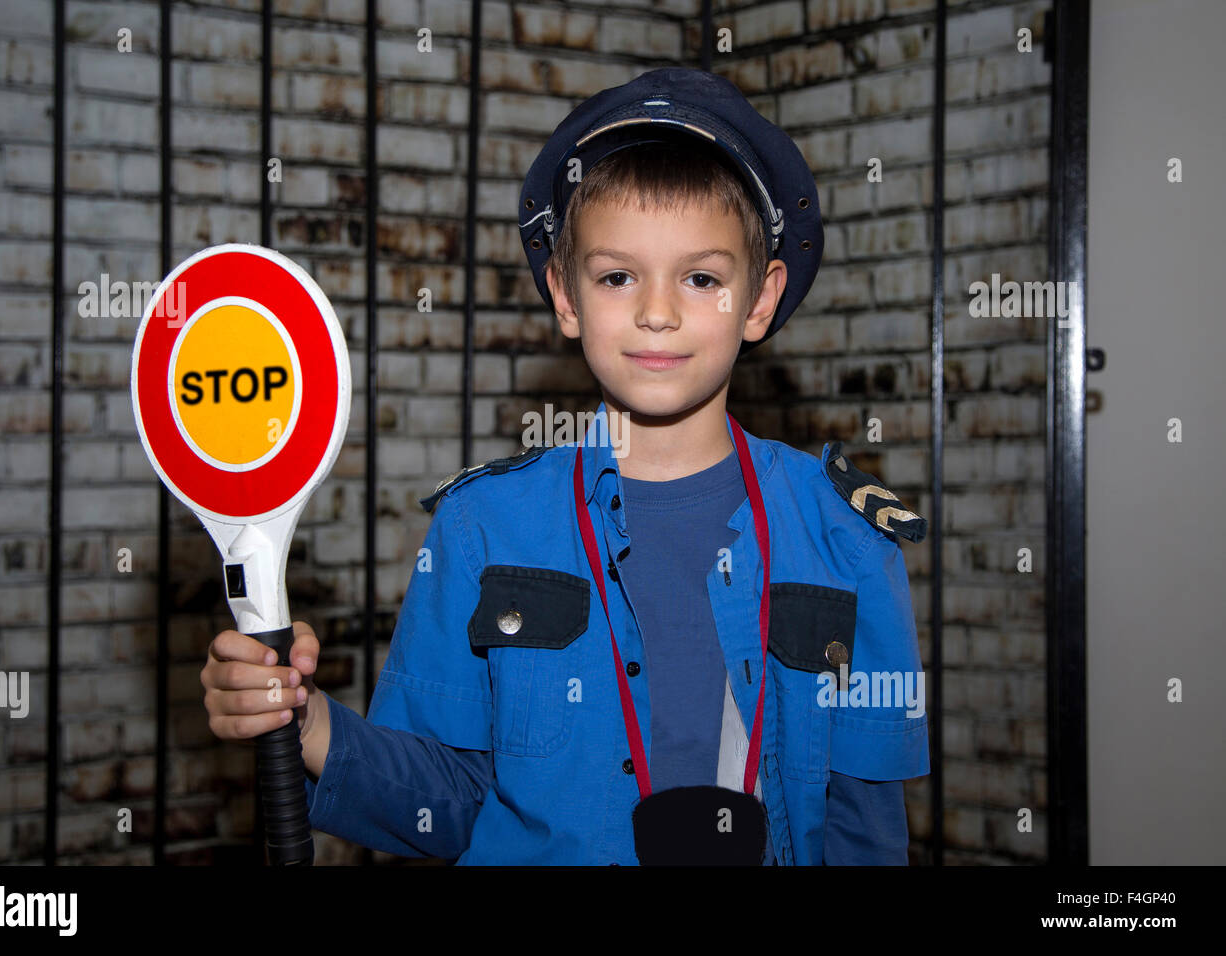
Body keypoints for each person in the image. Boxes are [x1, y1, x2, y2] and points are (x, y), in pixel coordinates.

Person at [201, 67, 929, 865]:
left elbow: (869, 834)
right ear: (565, 295)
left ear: (759, 299)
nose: (657, 311)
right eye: (617, 276)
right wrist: (307, 722)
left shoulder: (848, 540)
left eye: (701, 278)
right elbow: (441, 803)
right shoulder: (481, 527)